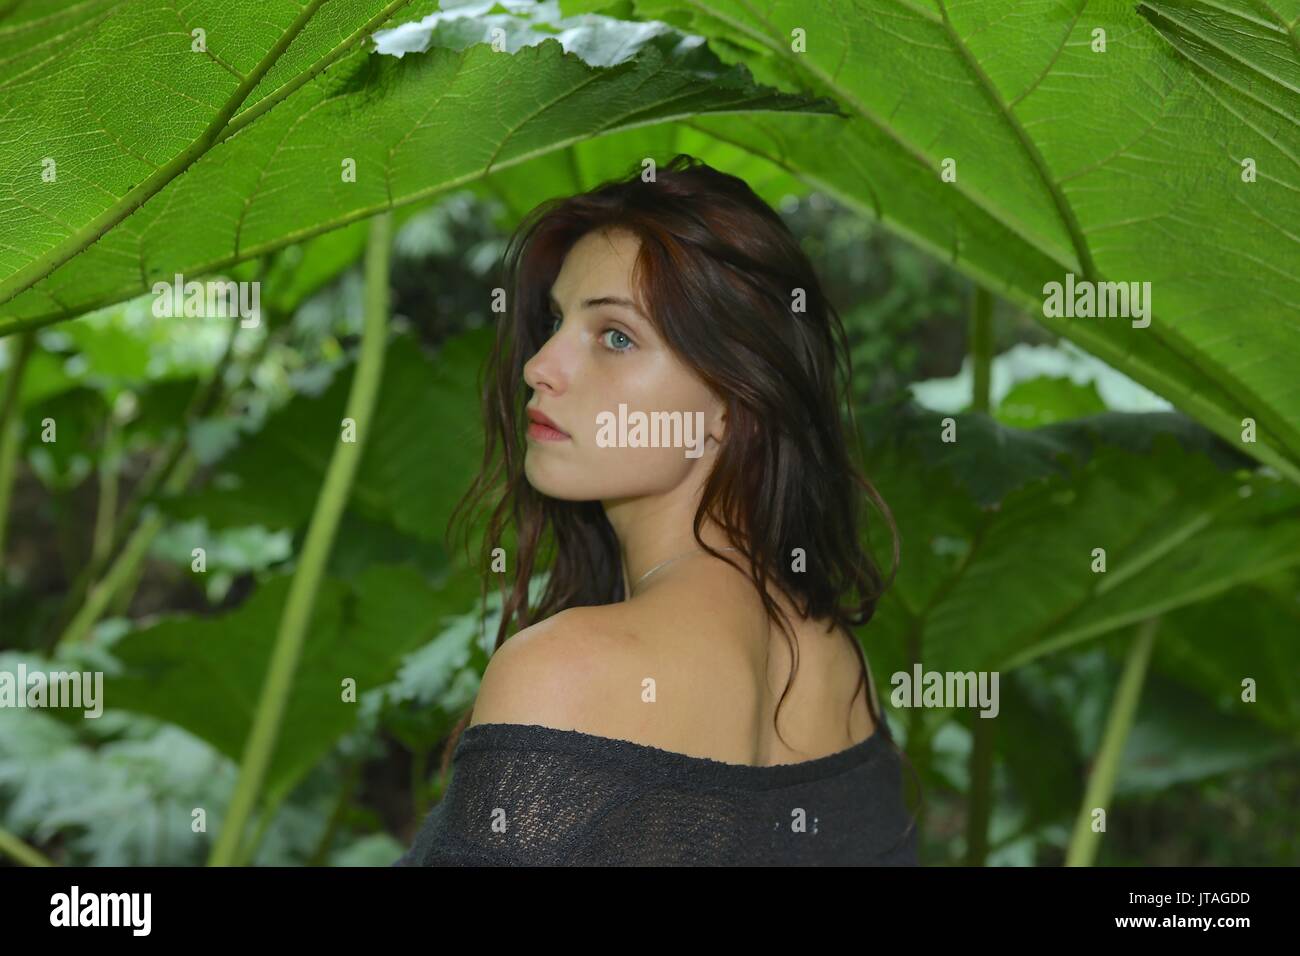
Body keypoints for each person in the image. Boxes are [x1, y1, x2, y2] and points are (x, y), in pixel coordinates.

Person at [394, 154, 919, 866]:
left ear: (732, 407)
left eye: (616, 337)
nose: (538, 366)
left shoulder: (561, 673)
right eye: (554, 321)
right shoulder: (839, 668)